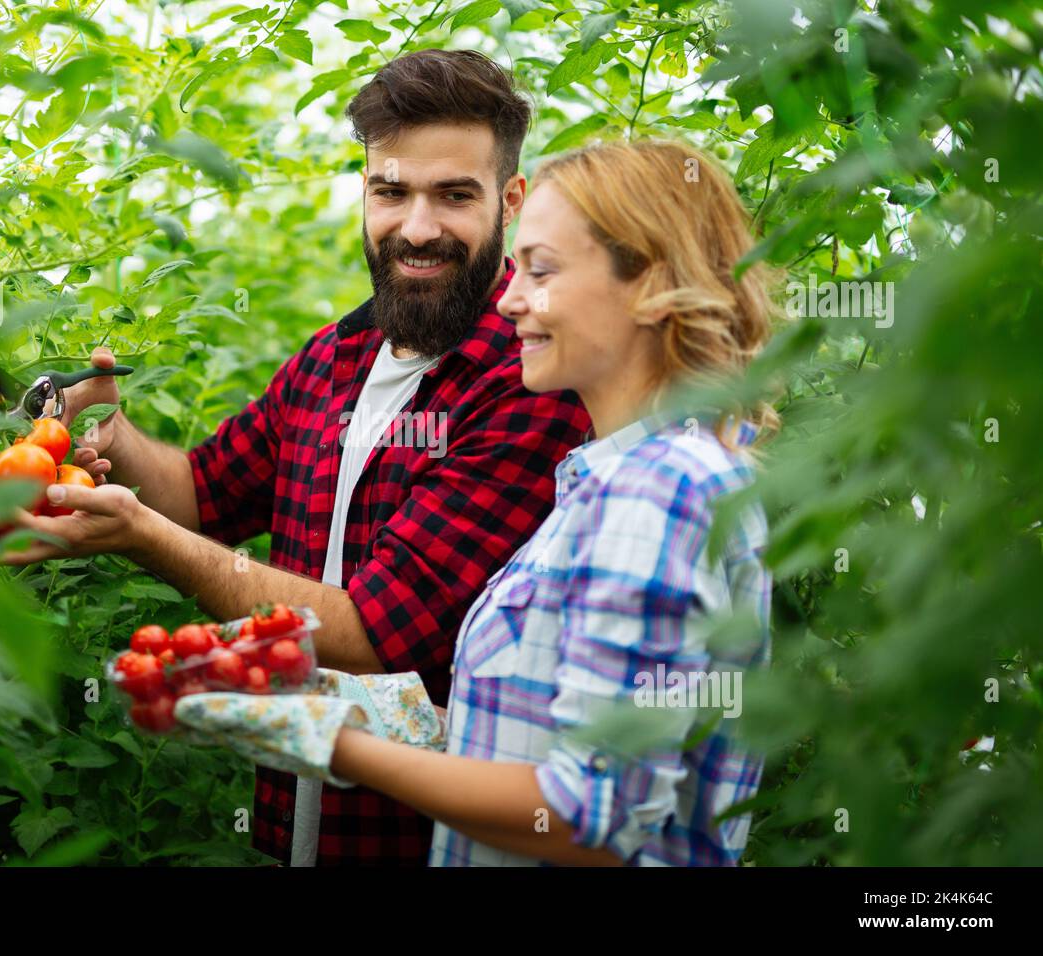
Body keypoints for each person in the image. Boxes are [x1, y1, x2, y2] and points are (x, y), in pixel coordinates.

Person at [0, 50, 591, 866]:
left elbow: (378, 633)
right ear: (365, 194)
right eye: (392, 191)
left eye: (454, 195)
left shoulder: (527, 383)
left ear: (510, 201)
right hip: (291, 831)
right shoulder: (334, 357)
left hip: (419, 843)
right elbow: (205, 495)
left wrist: (140, 536)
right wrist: (114, 437)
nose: (418, 227)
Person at [175, 139, 778, 866]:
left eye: (543, 270)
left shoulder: (658, 492)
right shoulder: (614, 479)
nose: (513, 297)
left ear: (649, 284)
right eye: (517, 266)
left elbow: (587, 818)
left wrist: (335, 745)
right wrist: (364, 710)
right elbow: (534, 737)